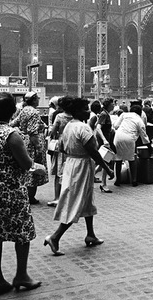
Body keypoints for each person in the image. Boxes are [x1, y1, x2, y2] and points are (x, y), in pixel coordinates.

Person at [0, 92, 42, 296]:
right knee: (22, 233)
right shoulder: (12, 135)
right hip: (12, 189)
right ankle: (21, 275)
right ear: (12, 112)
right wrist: (37, 167)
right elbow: (25, 163)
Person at [44, 96, 108, 257]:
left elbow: (62, 147)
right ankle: (55, 237)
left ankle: (90, 234)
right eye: (85, 109)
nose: (88, 111)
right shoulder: (83, 128)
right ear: (77, 111)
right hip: (82, 166)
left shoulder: (69, 125)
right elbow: (93, 152)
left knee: (86, 200)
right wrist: (107, 168)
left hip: (71, 164)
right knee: (76, 202)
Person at [10, 91, 46, 205]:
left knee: (26, 169)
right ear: (34, 100)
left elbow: (13, 123)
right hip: (32, 144)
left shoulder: (24, 110)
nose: (38, 100)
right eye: (37, 98)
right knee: (34, 170)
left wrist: (21, 131)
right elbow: (33, 133)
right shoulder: (34, 112)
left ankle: (25, 194)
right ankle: (30, 197)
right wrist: (38, 147)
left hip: (25, 143)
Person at [113, 103, 151, 186]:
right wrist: (150, 149)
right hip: (130, 138)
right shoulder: (139, 120)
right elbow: (144, 136)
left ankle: (118, 180)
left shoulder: (124, 115)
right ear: (140, 113)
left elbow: (115, 126)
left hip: (118, 136)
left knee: (118, 159)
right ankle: (134, 180)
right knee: (131, 159)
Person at [47, 99, 72, 207]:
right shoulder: (74, 116)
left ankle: (57, 198)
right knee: (70, 173)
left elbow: (52, 132)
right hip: (72, 145)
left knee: (59, 173)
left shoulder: (59, 117)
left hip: (61, 145)